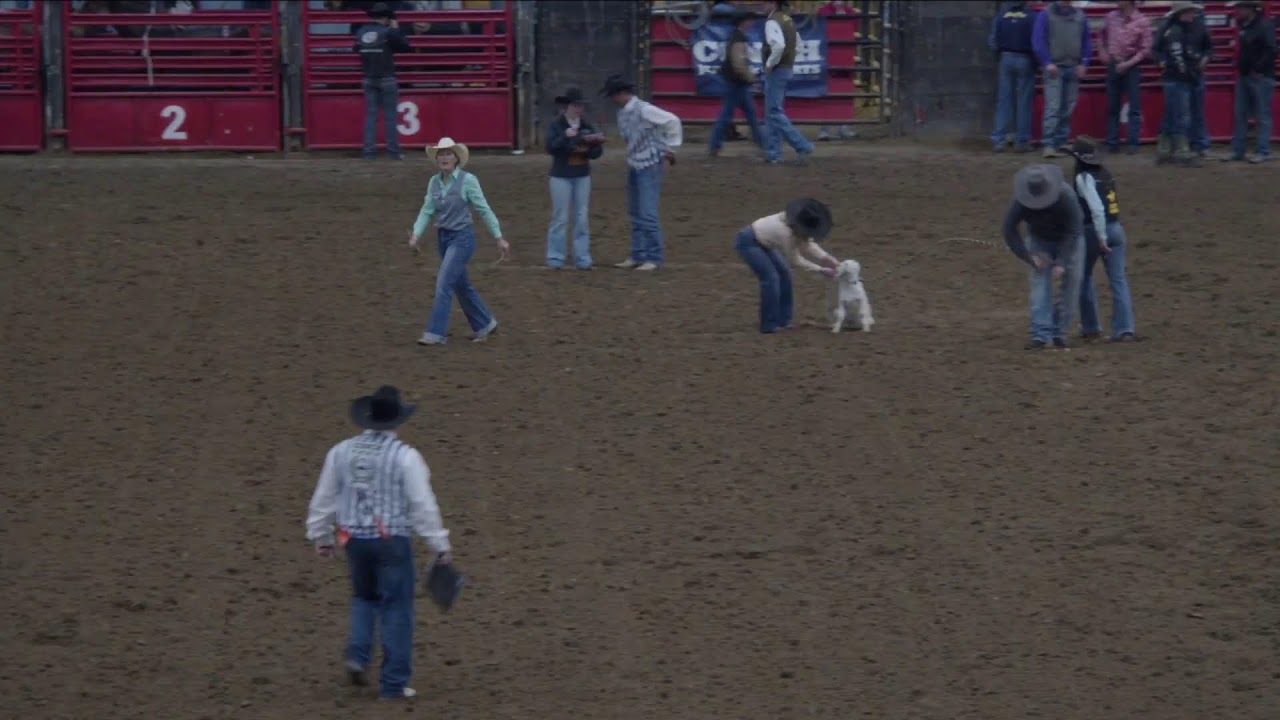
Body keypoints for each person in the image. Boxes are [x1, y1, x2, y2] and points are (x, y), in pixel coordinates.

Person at [304, 385, 454, 701]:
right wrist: (438, 543)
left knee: (364, 598)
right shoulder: (406, 457)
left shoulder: (341, 452)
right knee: (397, 609)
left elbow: (325, 496)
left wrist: (321, 535)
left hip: (354, 540)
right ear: (397, 420)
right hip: (392, 543)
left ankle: (357, 655)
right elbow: (422, 504)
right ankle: (393, 685)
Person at [407, 137, 510, 345]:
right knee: (461, 285)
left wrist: (499, 237)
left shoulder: (468, 180)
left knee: (444, 282)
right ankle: (485, 324)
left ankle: (436, 333)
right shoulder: (434, 182)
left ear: (456, 158)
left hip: (462, 238)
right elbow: (427, 210)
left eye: (448, 154)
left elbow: (483, 209)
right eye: (441, 154)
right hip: (444, 238)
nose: (444, 157)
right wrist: (416, 234)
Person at [600, 74, 683, 272]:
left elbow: (673, 121)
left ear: (620, 94)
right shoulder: (628, 112)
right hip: (637, 163)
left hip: (649, 164)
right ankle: (639, 255)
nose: (612, 99)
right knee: (637, 212)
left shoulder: (644, 110)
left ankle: (653, 256)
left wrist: (670, 149)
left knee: (647, 212)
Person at [1001, 164, 1085, 350]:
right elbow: (1008, 229)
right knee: (1040, 285)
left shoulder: (1066, 196)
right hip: (1039, 240)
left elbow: (1073, 230)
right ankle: (1041, 334)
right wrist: (1028, 256)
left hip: (1070, 240)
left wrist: (1062, 262)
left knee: (1071, 283)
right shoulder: (1021, 201)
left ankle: (1059, 333)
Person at [1067, 138, 1138, 343]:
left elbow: (1097, 209)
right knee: (1118, 279)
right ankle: (1125, 329)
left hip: (1095, 231)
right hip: (1117, 228)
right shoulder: (1106, 175)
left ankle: (1091, 326)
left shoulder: (1083, 178)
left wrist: (1101, 237)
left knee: (1083, 275)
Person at [734, 198, 841, 334]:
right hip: (749, 242)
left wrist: (827, 257)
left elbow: (807, 243)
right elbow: (796, 259)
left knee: (785, 274)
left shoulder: (794, 225)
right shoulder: (785, 233)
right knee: (771, 278)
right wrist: (820, 269)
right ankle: (769, 325)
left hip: (764, 242)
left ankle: (785, 321)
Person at [544, 87, 604, 270]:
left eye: (581, 106)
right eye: (576, 105)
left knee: (581, 217)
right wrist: (565, 138)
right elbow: (550, 147)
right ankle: (555, 257)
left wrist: (593, 146)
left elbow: (597, 152)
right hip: (561, 176)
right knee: (560, 217)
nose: (579, 109)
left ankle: (582, 258)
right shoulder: (557, 125)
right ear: (568, 106)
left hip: (581, 175)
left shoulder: (586, 126)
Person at [1032, 1, 1092, 158]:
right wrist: (1047, 62)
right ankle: (1049, 144)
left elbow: (1087, 42)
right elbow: (1038, 41)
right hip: (1055, 69)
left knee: (1068, 108)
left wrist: (1084, 63)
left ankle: (1061, 142)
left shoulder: (1080, 17)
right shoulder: (1045, 15)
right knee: (1054, 107)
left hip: (1073, 68)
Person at [354, 2, 412, 160]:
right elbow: (406, 47)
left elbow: (356, 49)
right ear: (387, 18)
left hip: (368, 78)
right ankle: (393, 152)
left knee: (371, 116)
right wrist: (395, 29)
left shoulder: (361, 32)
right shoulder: (389, 32)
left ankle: (368, 152)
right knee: (390, 117)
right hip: (387, 78)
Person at [760, 0, 816, 164]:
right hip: (786, 69)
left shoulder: (772, 22)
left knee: (774, 112)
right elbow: (798, 45)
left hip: (777, 70)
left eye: (765, 3)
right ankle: (773, 153)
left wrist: (770, 64)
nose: (762, 6)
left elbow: (778, 46)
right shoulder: (787, 20)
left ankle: (802, 145)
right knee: (773, 111)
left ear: (772, 4)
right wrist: (789, 60)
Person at [1098, 0, 1153, 155]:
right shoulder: (1110, 17)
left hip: (1132, 65)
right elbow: (1101, 35)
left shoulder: (1142, 21)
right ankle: (1112, 142)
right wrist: (1102, 50)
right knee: (1112, 106)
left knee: (1134, 106)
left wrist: (1128, 63)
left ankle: (1133, 143)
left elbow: (1145, 49)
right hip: (1114, 63)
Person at [1223, 0, 1276, 164]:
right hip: (1246, 75)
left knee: (1262, 115)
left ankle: (1263, 151)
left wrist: (1259, 69)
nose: (1237, 10)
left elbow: (1272, 50)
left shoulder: (1263, 26)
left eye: (1240, 7)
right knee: (1241, 114)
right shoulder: (1245, 25)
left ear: (1250, 9)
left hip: (1260, 76)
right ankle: (1239, 150)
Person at [1153, 2, 1204, 167]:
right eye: (1190, 12)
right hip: (1178, 78)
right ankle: (1181, 152)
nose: (1192, 15)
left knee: (1172, 114)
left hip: (1177, 77)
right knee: (1182, 116)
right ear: (1182, 13)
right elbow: (1174, 57)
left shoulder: (1175, 29)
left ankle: (1164, 150)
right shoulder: (1176, 31)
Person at [708, 9, 763, 158]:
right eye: (750, 19)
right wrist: (751, 79)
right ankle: (714, 145)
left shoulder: (736, 36)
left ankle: (762, 144)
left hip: (736, 82)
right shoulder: (739, 38)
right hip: (737, 83)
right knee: (731, 115)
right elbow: (738, 63)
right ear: (744, 22)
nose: (752, 22)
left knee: (746, 114)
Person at [989, 1, 1039, 153]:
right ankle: (1021, 141)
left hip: (1006, 58)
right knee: (1024, 102)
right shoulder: (1032, 17)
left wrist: (998, 57)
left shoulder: (1001, 16)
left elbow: (992, 42)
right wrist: (1036, 61)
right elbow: (1036, 42)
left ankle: (999, 140)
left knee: (1004, 101)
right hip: (1025, 59)